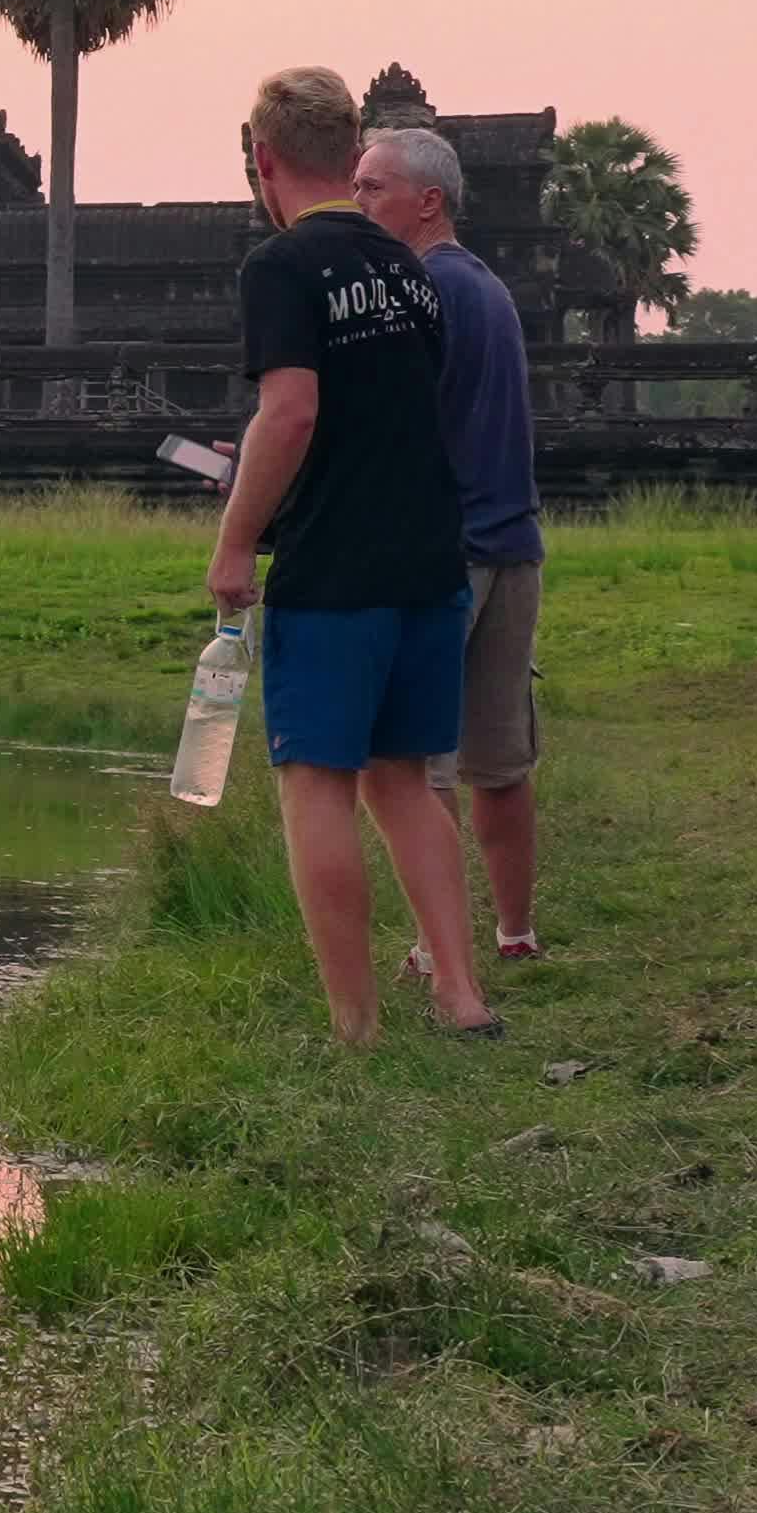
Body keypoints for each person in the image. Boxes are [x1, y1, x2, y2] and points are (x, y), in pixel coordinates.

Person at [206, 68, 497, 1044]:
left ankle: (356, 1022)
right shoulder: (410, 271)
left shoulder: (284, 266)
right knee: (403, 779)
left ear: (264, 159)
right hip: (429, 556)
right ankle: (461, 995)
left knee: (316, 781)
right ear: (349, 153)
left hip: (335, 567)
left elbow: (290, 411)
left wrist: (235, 542)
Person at [352, 127, 545, 962]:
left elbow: (389, 425)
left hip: (444, 553)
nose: (358, 201)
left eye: (374, 187)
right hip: (511, 545)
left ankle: (440, 950)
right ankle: (515, 933)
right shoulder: (485, 287)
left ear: (428, 201)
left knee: (416, 763)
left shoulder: (420, 288)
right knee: (498, 760)